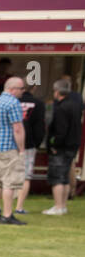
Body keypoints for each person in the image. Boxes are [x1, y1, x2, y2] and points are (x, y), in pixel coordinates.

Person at [0, 76, 27, 225]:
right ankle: (8, 215)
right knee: (9, 183)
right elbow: (17, 128)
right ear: (12, 89)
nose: (23, 91)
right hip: (8, 148)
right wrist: (21, 149)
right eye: (21, 88)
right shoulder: (13, 103)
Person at [43, 78, 80, 216]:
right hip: (72, 145)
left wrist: (54, 144)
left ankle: (58, 206)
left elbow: (60, 130)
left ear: (57, 92)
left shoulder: (61, 108)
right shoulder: (75, 105)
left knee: (57, 177)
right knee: (64, 176)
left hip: (61, 147)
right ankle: (63, 205)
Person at [13, 87, 46, 215]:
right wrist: (36, 143)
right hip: (29, 143)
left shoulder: (12, 102)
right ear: (34, 88)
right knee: (26, 176)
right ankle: (19, 207)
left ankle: (6, 204)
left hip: (11, 143)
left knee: (9, 174)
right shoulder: (38, 103)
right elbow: (40, 127)